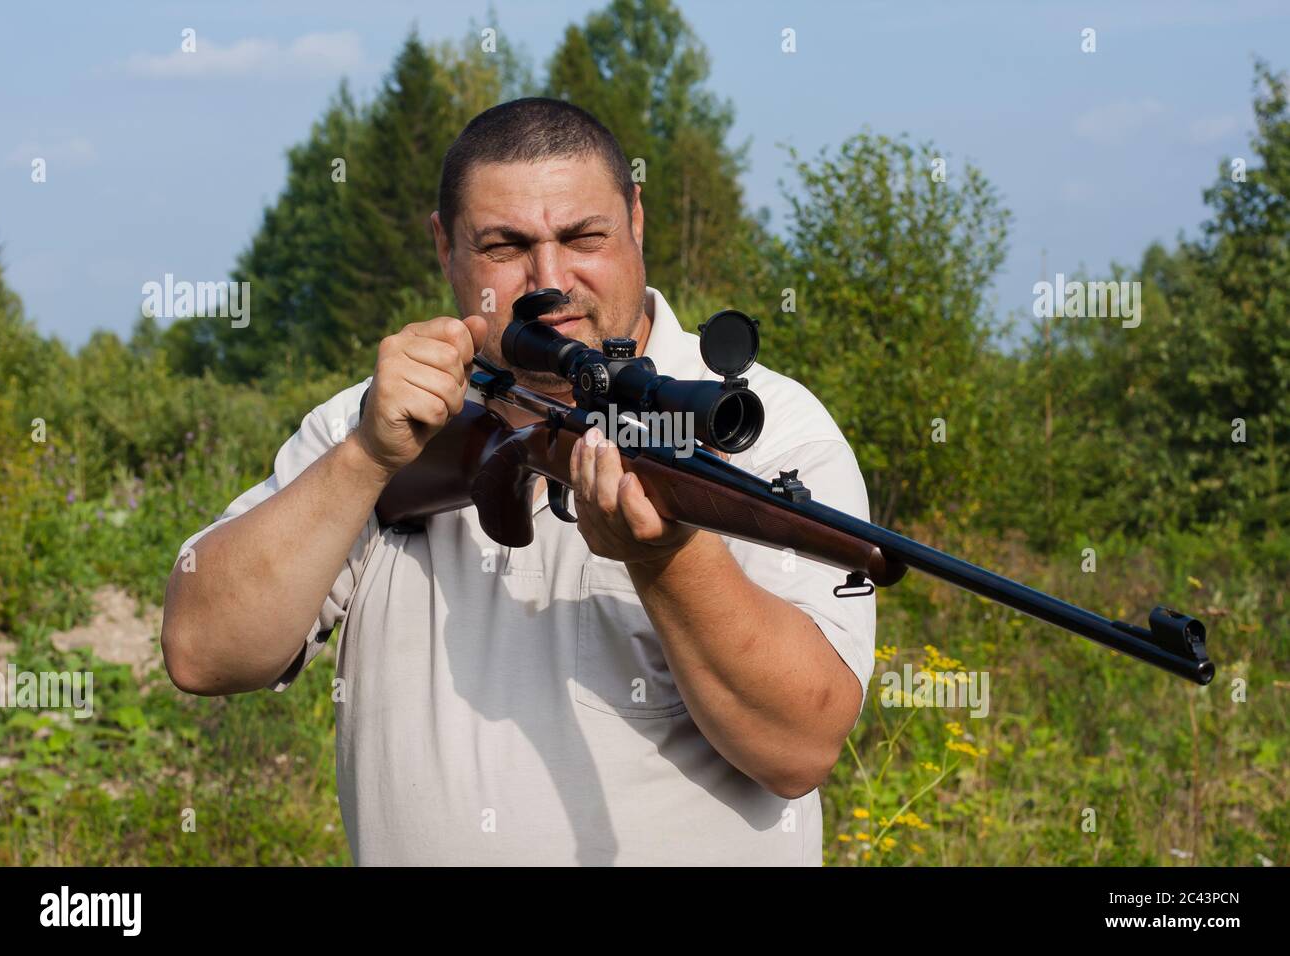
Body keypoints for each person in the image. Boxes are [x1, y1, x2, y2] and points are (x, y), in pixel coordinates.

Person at [161, 97, 876, 865]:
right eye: (504, 246)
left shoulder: (758, 423)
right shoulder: (377, 419)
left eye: (582, 237)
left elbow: (798, 748)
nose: (548, 280)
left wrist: (668, 559)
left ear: (636, 220)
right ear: (445, 247)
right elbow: (204, 652)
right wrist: (367, 457)